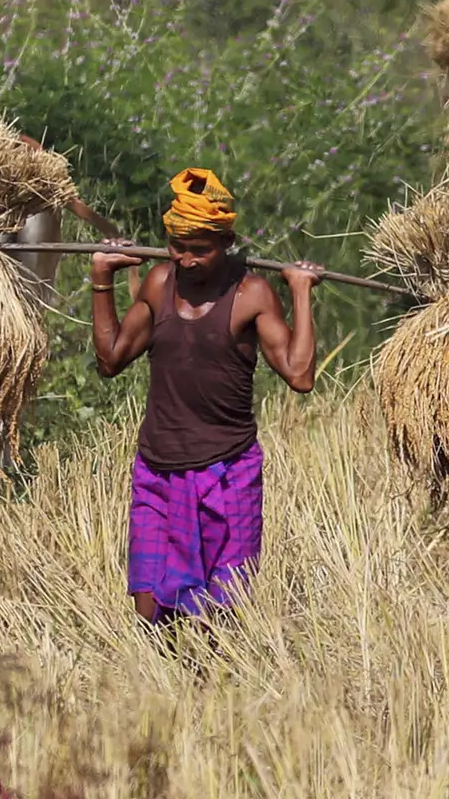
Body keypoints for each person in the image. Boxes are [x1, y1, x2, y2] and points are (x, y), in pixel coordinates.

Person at [91, 168, 322, 624]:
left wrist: (298, 293)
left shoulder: (250, 294)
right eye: (178, 247)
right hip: (157, 469)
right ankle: (162, 689)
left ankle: (215, 688)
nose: (188, 260)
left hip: (227, 469)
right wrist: (102, 279)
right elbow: (111, 360)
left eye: (202, 250)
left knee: (221, 609)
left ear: (227, 242)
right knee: (150, 605)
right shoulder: (159, 283)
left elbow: (300, 375)